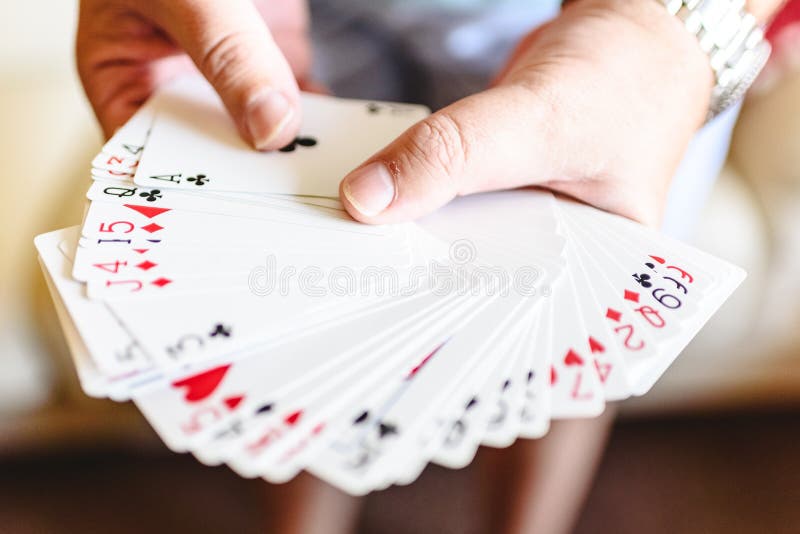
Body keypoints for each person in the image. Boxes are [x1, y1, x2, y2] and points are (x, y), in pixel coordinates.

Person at [75, 1, 785, 533]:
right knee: (312, 274)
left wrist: (674, 29)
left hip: (597, 19)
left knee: (565, 302)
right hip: (319, 10)